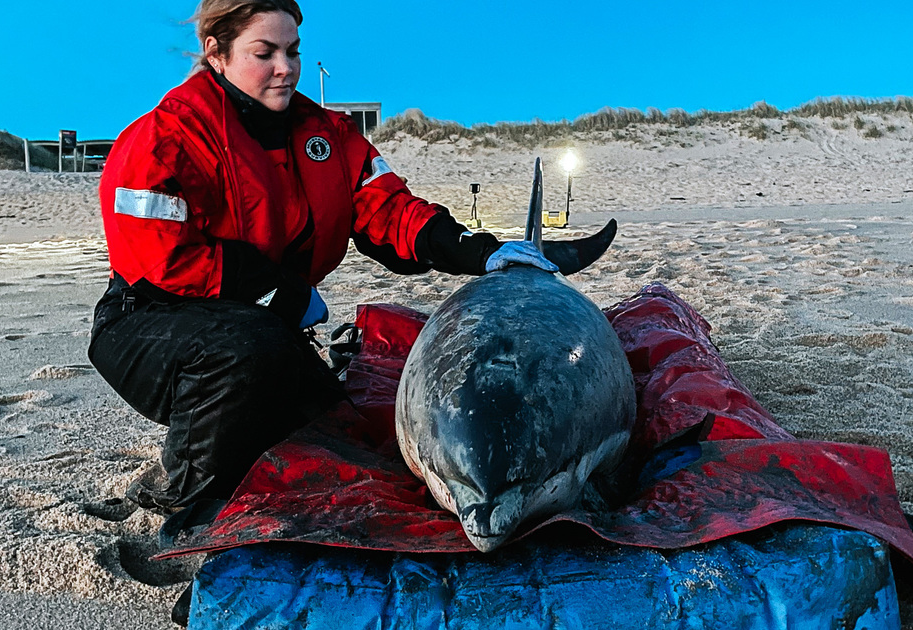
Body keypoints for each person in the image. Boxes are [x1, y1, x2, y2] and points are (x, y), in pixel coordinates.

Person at [89, 0, 560, 513]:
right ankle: (184, 499)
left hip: (264, 325)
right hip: (151, 324)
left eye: (292, 51)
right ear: (216, 54)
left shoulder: (329, 137)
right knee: (251, 355)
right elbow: (161, 260)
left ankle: (237, 440)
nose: (285, 68)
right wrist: (279, 292)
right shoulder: (164, 137)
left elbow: (390, 211)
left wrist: (478, 251)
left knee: (337, 436)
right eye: (264, 53)